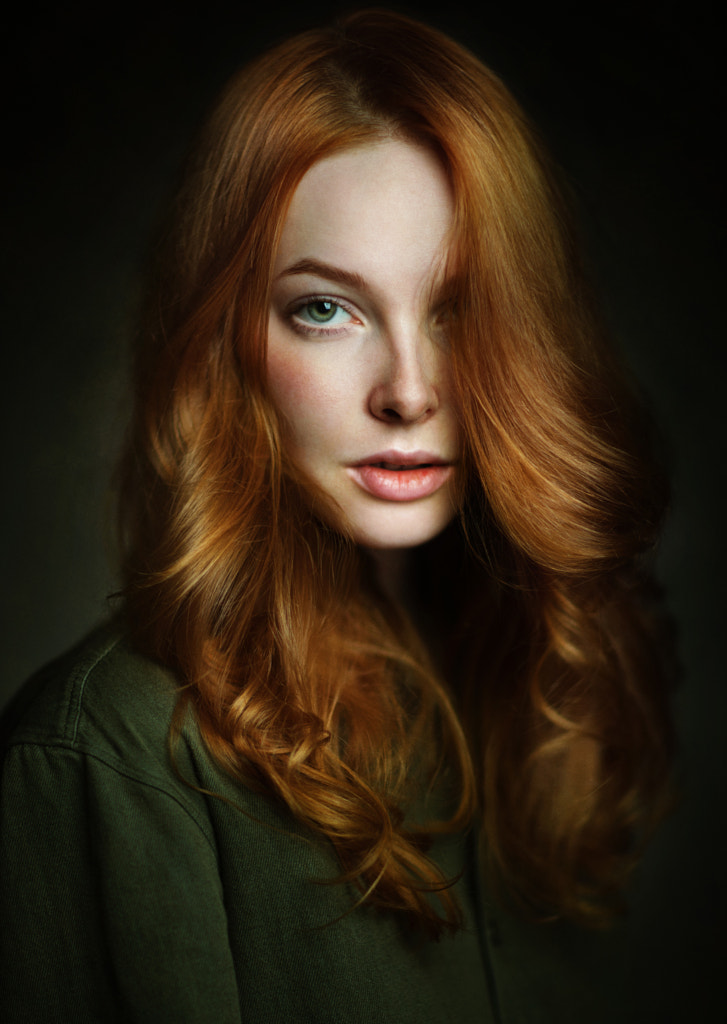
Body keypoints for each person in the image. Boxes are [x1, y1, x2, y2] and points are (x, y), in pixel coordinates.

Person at [0, 9, 675, 1022]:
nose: (408, 390)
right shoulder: (104, 759)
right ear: (225, 339)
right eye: (326, 308)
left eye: (457, 310)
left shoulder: (531, 688)